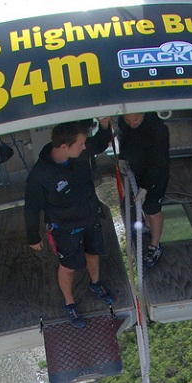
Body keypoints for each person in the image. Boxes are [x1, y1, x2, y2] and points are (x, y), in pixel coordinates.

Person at [23, 119, 113, 328]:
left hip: (90, 217)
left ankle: (95, 283)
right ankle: (69, 302)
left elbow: (100, 143)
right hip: (65, 228)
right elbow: (31, 209)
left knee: (93, 253)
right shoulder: (39, 176)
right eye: (80, 144)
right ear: (65, 146)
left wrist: (105, 125)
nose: (84, 147)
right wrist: (33, 237)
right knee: (69, 267)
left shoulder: (79, 152)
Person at [117, 112, 170, 268]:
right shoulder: (125, 123)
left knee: (153, 209)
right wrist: (122, 157)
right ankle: (147, 226)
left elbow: (158, 163)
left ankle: (155, 246)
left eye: (135, 120)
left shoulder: (158, 130)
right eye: (127, 120)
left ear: (143, 114)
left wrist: (146, 187)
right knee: (145, 205)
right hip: (139, 171)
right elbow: (125, 138)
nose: (131, 124)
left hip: (156, 176)